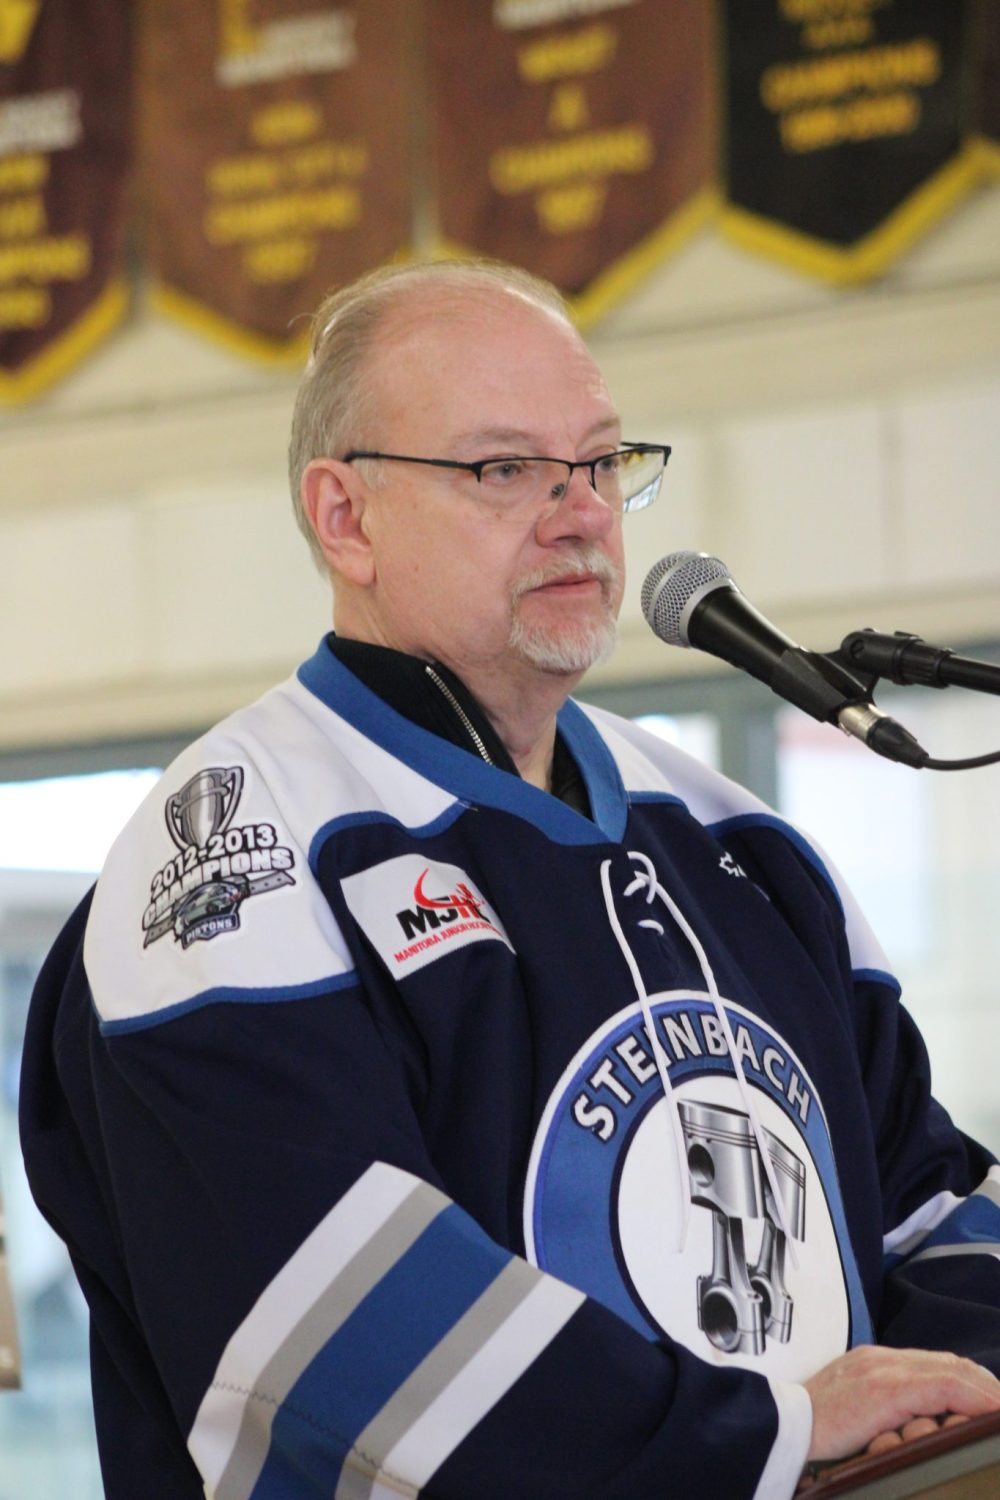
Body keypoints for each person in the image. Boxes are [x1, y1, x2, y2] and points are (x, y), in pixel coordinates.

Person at [19, 259, 1000, 1500]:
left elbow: (926, 1211)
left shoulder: (737, 844)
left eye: (598, 461)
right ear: (344, 517)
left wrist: (957, 1392)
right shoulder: (231, 856)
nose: (579, 510)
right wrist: (771, 1437)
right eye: (502, 469)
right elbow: (336, 1328)